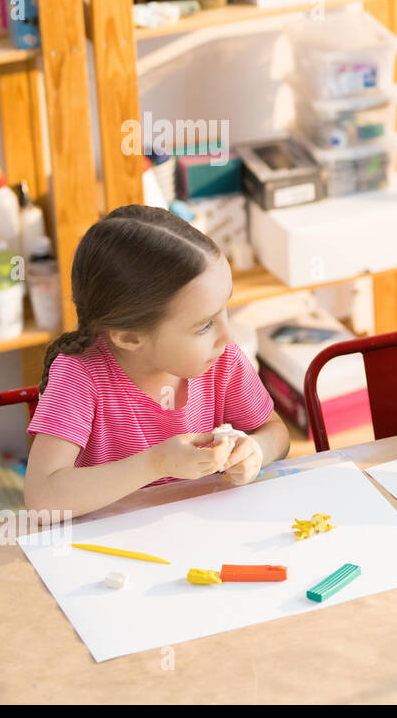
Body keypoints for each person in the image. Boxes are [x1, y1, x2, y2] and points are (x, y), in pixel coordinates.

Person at [24, 205, 289, 517]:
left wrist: (258, 451)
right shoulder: (80, 376)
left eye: (225, 308)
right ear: (130, 338)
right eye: (203, 325)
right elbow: (41, 499)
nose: (227, 336)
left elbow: (276, 432)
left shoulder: (220, 358)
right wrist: (156, 463)